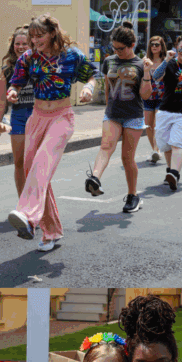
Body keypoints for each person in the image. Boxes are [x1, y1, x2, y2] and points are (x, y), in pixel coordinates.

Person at [5, 14, 100, 250]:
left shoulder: (71, 55)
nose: (35, 40)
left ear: (52, 33)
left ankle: (27, 214)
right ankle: (52, 231)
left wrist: (88, 87)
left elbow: (92, 74)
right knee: (32, 170)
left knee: (41, 163)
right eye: (32, 36)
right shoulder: (28, 58)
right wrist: (14, 91)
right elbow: (16, 81)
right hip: (36, 118)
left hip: (61, 117)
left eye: (40, 35)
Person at [85, 23, 148, 213]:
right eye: (115, 48)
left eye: (121, 48)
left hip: (133, 116)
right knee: (105, 146)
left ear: (132, 45)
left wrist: (147, 73)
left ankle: (133, 195)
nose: (117, 51)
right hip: (112, 114)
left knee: (127, 159)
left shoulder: (140, 64)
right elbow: (107, 88)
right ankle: (94, 178)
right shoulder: (109, 61)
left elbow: (145, 96)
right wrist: (107, 108)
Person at [150, 34, 182, 192]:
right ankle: (170, 171)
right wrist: (166, 59)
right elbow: (156, 77)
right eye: (181, 48)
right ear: (176, 48)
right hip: (165, 110)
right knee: (165, 145)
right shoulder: (170, 64)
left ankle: (174, 173)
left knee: (177, 143)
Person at [0, 26, 33, 197]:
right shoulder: (7, 69)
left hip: (38, 116)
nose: (20, 47)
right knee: (19, 163)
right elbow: (2, 102)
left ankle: (38, 203)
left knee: (35, 164)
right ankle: (23, 203)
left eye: (24, 43)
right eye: (17, 43)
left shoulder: (39, 65)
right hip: (18, 116)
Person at [141, 36, 167, 164]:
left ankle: (157, 150)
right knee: (149, 125)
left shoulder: (166, 61)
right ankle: (154, 150)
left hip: (162, 97)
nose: (154, 46)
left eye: (157, 44)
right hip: (148, 96)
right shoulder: (145, 61)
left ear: (162, 46)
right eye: (152, 44)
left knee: (157, 125)